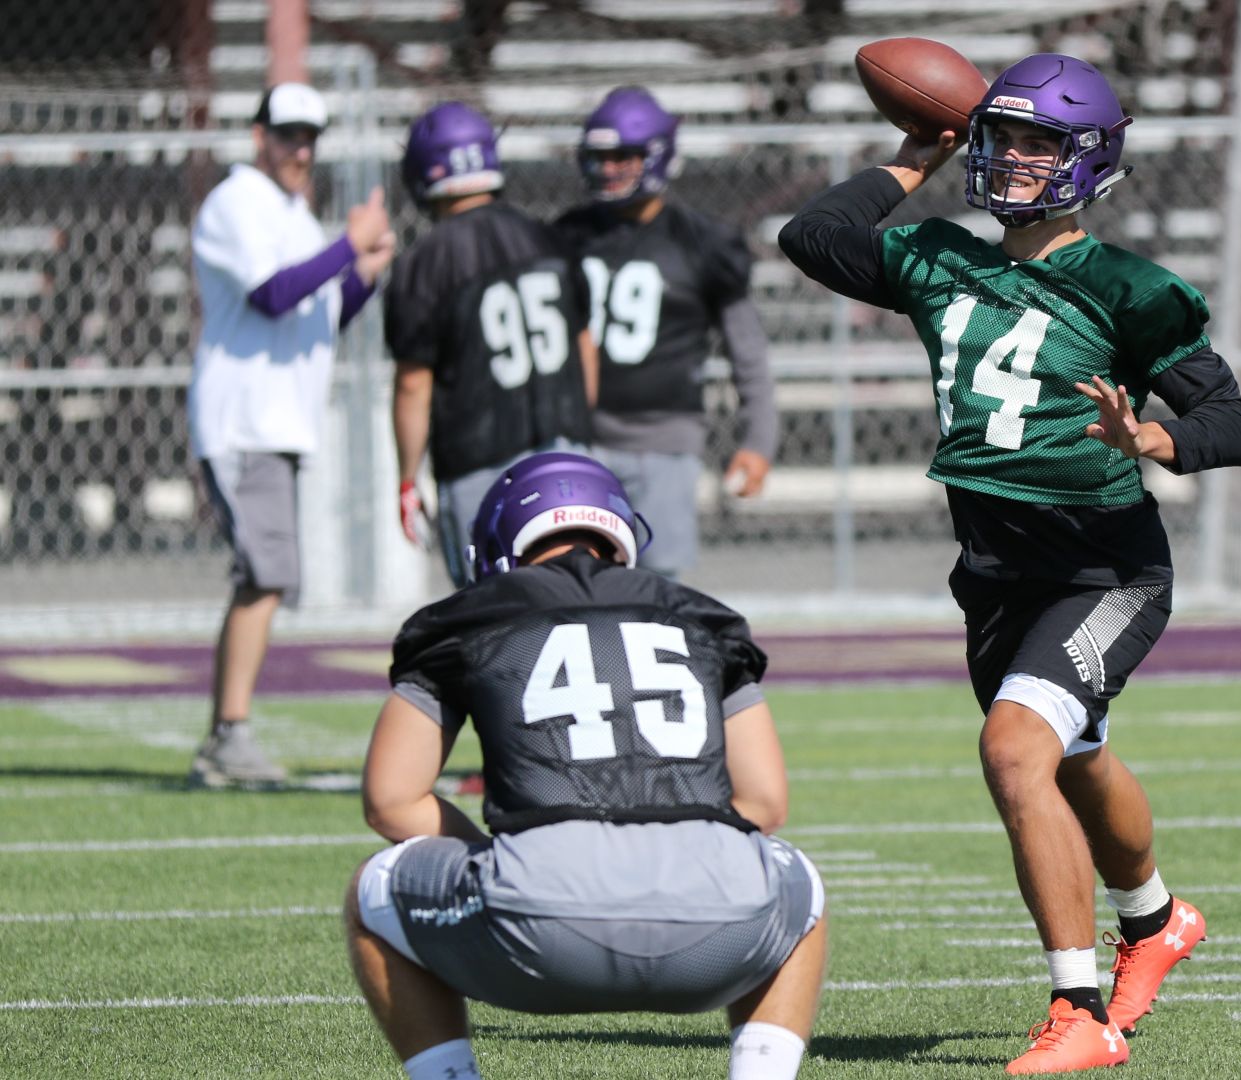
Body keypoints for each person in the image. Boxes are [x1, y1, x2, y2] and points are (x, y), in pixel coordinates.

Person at [779, 53, 1241, 1074]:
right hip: (995, 570)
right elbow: (812, 236)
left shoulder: (1129, 289)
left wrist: (1154, 443)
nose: (1009, 159)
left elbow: (1234, 422)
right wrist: (915, 154)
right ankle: (1161, 919)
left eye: (1038, 144)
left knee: (1013, 752)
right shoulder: (940, 256)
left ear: (1089, 163)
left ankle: (1079, 1011)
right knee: (1072, 758)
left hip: (1104, 568)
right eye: (999, 138)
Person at [344, 451, 826, 1080]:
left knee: (374, 886)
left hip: (537, 927)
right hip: (721, 931)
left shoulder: (467, 620)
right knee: (801, 885)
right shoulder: (703, 620)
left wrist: (501, 852)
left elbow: (390, 800)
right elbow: (764, 804)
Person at [187, 82, 396, 787]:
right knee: (266, 576)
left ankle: (228, 733)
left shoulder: (291, 212)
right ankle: (229, 734)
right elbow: (272, 295)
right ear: (259, 137)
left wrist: (365, 272)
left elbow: (318, 315)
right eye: (287, 136)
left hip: (276, 421)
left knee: (267, 578)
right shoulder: (236, 201)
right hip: (246, 419)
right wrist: (347, 245)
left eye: (310, 137)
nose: (300, 149)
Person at [552, 87, 778, 580]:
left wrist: (758, 439)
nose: (608, 169)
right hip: (573, 437)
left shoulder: (703, 242)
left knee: (656, 586)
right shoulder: (565, 234)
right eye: (599, 157)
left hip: (663, 440)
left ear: (657, 156)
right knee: (568, 583)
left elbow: (748, 352)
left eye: (622, 156)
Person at [386, 101, 598, 585]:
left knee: (491, 617)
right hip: (568, 453)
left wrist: (406, 477)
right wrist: (579, 431)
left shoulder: (423, 263)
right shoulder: (547, 237)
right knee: (575, 599)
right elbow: (585, 349)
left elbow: (414, 384)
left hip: (478, 461)